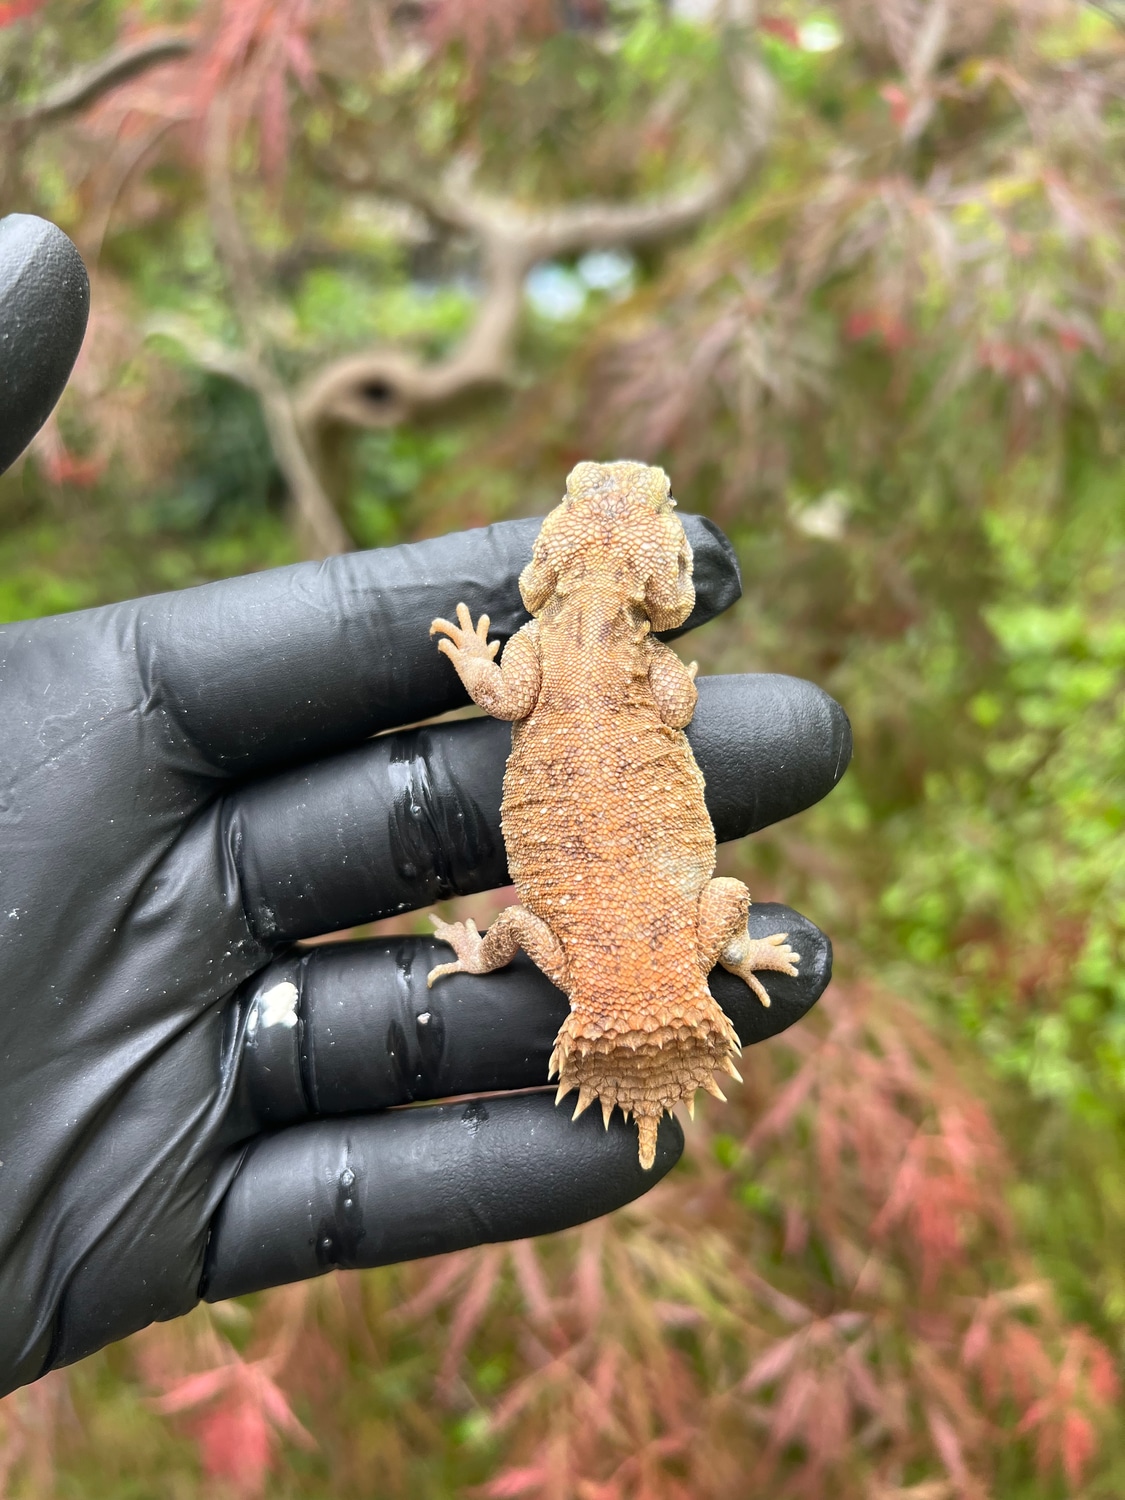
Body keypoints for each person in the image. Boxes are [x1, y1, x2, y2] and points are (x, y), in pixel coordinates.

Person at [0, 213, 850, 1395]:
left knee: (701, 895)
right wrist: (703, 934)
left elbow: (498, 693)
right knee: (721, 889)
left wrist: (464, 651)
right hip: (626, 918)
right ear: (664, 578)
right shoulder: (654, 684)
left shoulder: (539, 664)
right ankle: (709, 960)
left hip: (626, 911)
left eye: (627, 494)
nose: (621, 490)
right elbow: (673, 699)